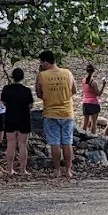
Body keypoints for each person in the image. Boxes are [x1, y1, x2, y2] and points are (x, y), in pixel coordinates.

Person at [36, 50, 77, 179]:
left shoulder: (42, 75)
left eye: (41, 62)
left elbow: (38, 94)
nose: (41, 65)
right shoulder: (67, 73)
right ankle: (68, 170)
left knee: (54, 143)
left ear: (45, 62)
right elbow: (74, 90)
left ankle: (58, 170)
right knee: (67, 142)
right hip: (67, 112)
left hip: (51, 112)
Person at [0, 67, 33, 176]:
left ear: (12, 77)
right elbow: (30, 105)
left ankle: (9, 169)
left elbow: (3, 102)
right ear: (22, 77)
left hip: (10, 118)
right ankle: (23, 169)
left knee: (11, 144)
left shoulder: (6, 89)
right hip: (23, 118)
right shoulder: (26, 90)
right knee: (23, 144)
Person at [79, 64, 103, 133]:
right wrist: (103, 85)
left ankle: (82, 136)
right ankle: (93, 137)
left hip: (85, 103)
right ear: (93, 72)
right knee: (93, 123)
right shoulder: (93, 82)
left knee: (85, 123)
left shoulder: (83, 81)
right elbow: (99, 94)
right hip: (93, 103)